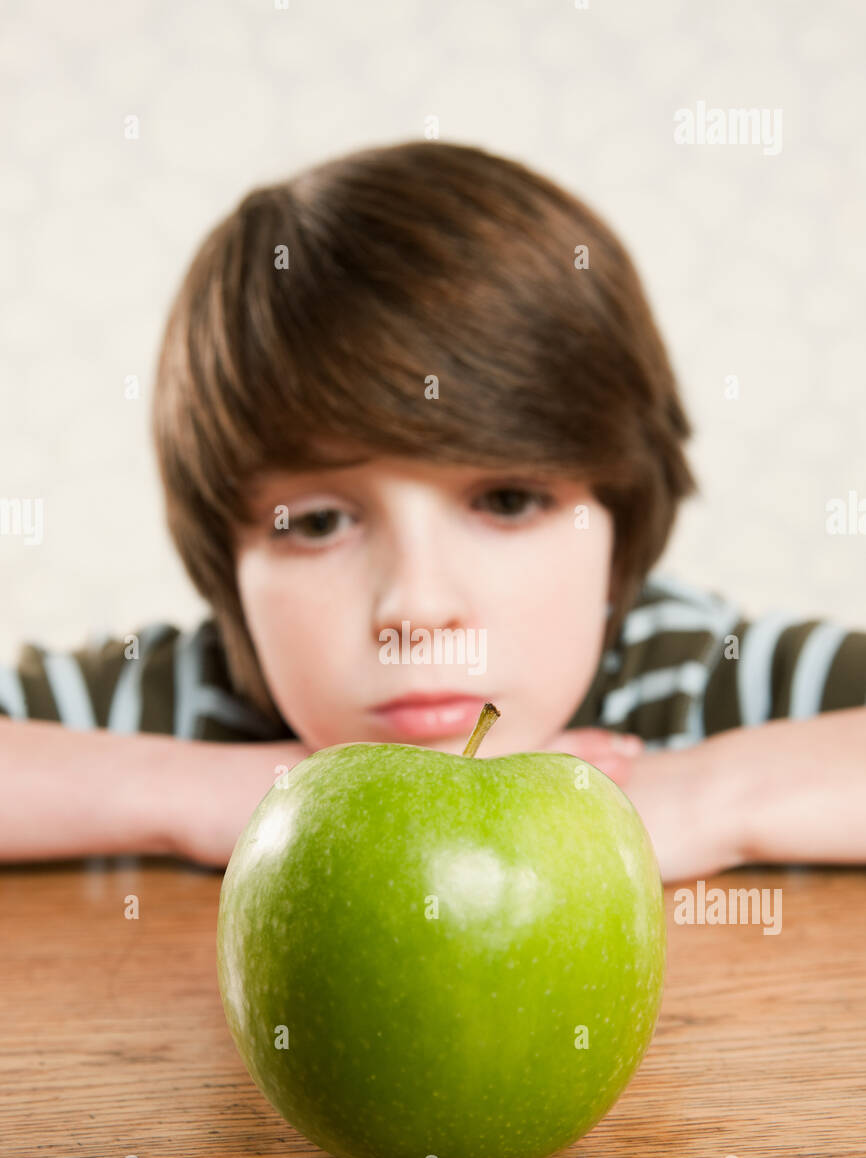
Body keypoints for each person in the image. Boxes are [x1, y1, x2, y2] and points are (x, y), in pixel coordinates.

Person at [2, 139, 863, 879]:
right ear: (223, 557)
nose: (416, 608)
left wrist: (711, 796)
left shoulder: (691, 679)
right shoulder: (191, 705)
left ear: (621, 520)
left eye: (508, 500)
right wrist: (196, 794)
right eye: (316, 523)